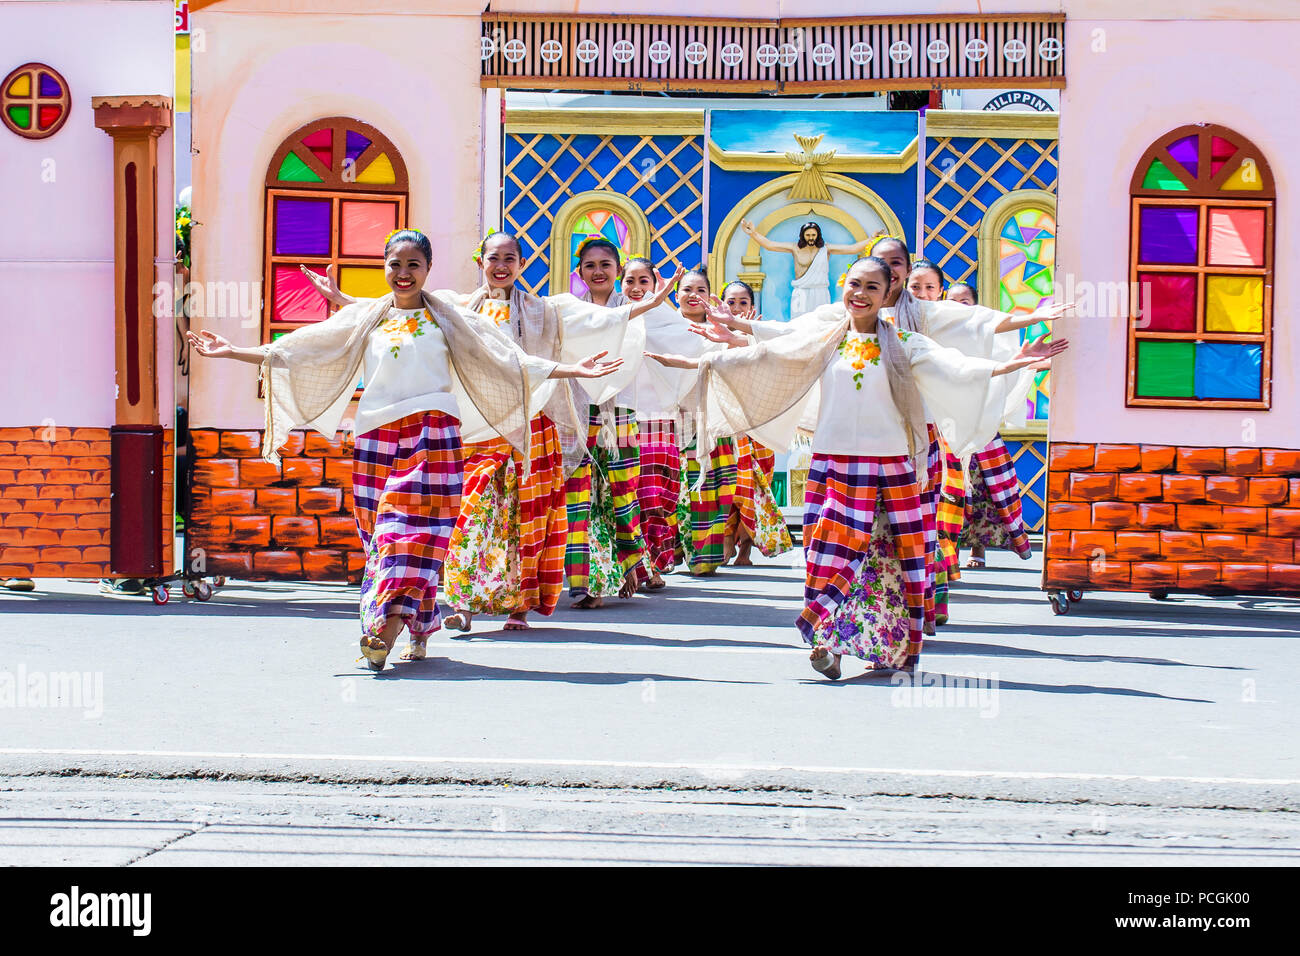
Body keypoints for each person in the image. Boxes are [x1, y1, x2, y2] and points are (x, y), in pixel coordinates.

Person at [189, 229, 625, 669]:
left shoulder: (451, 319)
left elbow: (506, 359)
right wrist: (234, 352)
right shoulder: (367, 318)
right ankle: (419, 620)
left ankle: (385, 626)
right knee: (379, 537)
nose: (403, 274)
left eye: (413, 265)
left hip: (433, 435)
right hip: (376, 440)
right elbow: (302, 349)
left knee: (407, 533)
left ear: (428, 270)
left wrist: (570, 368)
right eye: (395, 264)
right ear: (384, 267)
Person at [650, 256, 1063, 679]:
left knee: (889, 564)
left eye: (871, 287)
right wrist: (709, 354)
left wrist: (1010, 363)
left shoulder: (906, 343)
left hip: (896, 472)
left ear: (888, 296)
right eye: (853, 284)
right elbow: (777, 347)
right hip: (834, 470)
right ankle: (826, 641)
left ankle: (887, 646)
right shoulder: (826, 340)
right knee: (827, 556)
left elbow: (954, 368)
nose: (859, 294)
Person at [565, 236, 649, 608]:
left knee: (620, 496)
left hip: (620, 416)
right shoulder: (570, 312)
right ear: (579, 272)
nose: (597, 271)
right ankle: (586, 583)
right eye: (590, 265)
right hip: (579, 413)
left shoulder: (637, 310)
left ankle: (628, 563)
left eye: (605, 265)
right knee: (580, 498)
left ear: (618, 270)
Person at [717, 280, 793, 566]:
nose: (736, 308)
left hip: (760, 425)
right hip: (727, 424)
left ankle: (745, 549)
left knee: (758, 486)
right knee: (733, 484)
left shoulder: (765, 338)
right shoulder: (712, 335)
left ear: (753, 306)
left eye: (743, 303)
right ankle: (726, 541)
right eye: (731, 302)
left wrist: (753, 339)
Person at [672, 269, 736, 576]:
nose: (693, 294)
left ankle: (704, 556)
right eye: (687, 289)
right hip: (672, 421)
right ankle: (671, 551)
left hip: (713, 421)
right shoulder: (665, 328)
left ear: (711, 296)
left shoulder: (721, 330)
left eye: (700, 289)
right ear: (676, 294)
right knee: (677, 488)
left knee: (712, 489)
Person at [739, 219, 873, 317]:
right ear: (803, 235)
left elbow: (852, 249)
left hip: (820, 292)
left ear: (818, 235)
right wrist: (753, 233)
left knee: (822, 324)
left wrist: (871, 239)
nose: (810, 238)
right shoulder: (794, 248)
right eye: (808, 235)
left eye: (813, 235)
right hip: (801, 292)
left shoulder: (825, 249)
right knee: (799, 325)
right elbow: (770, 245)